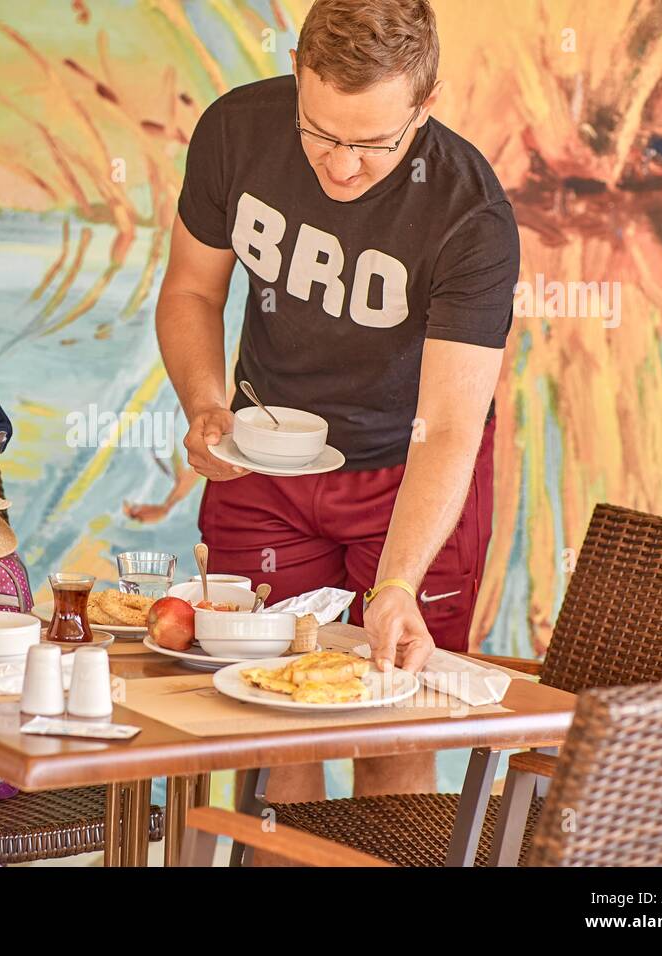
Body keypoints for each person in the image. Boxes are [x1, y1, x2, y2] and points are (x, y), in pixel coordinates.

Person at [156, 0, 519, 802]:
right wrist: (207, 405)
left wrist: (395, 585)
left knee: (391, 727)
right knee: (272, 720)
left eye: (370, 143)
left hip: (407, 477)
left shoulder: (471, 215)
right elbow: (188, 289)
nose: (341, 166)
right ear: (296, 77)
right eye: (321, 133)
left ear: (424, 107)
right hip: (263, 461)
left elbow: (451, 426)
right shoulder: (235, 132)